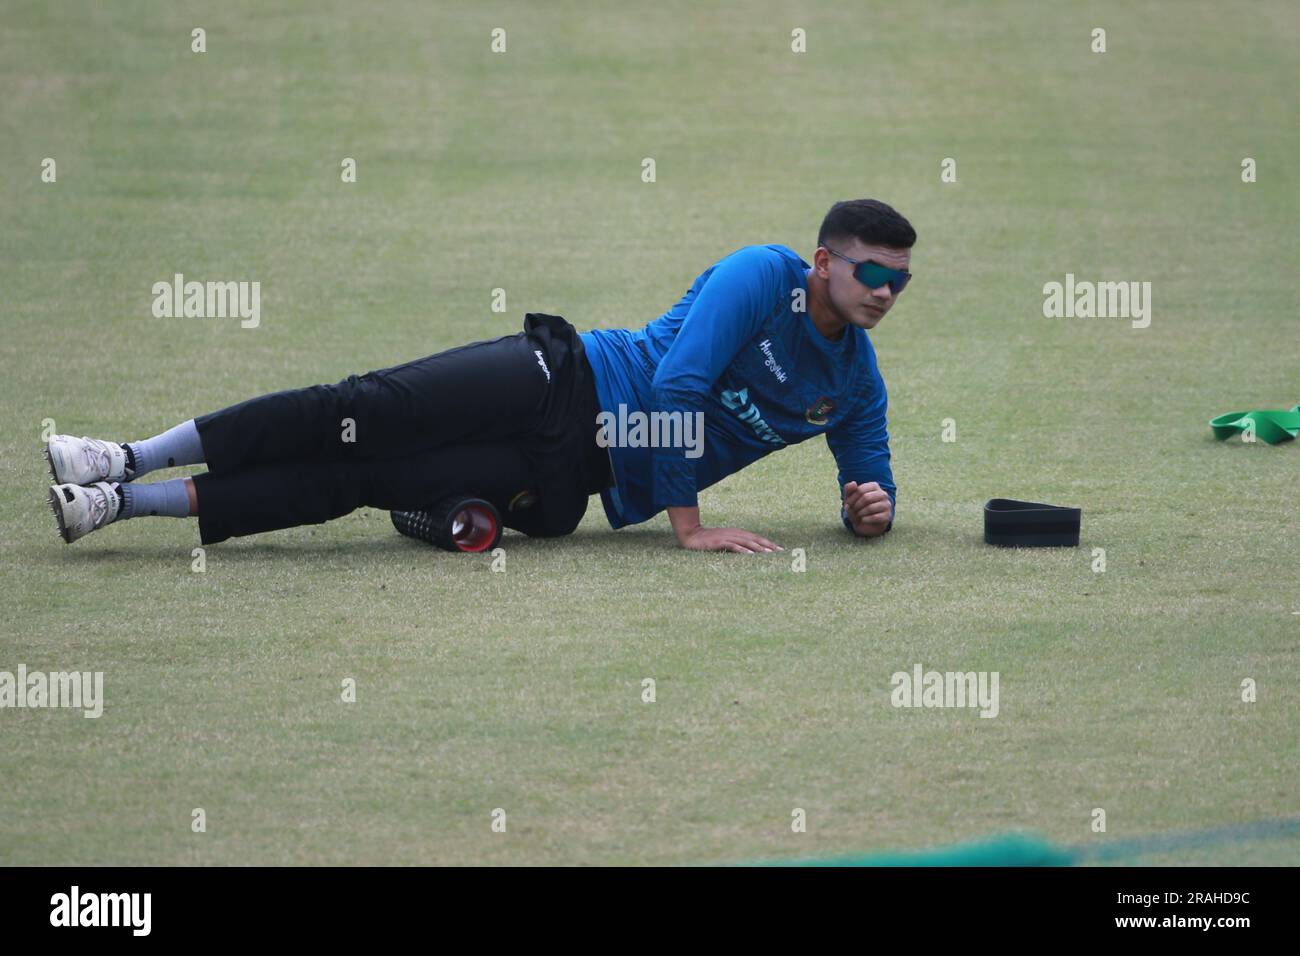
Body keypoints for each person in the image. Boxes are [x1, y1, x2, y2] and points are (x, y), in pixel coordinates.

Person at [46, 198, 913, 554]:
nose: (884, 292)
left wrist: (866, 508)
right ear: (824, 261)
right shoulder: (761, 275)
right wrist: (690, 528)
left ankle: (121, 506)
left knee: (366, 479)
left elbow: (871, 478)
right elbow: (681, 389)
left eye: (899, 281)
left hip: (576, 472)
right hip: (563, 380)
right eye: (873, 272)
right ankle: (126, 454)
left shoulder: (856, 380)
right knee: (360, 410)